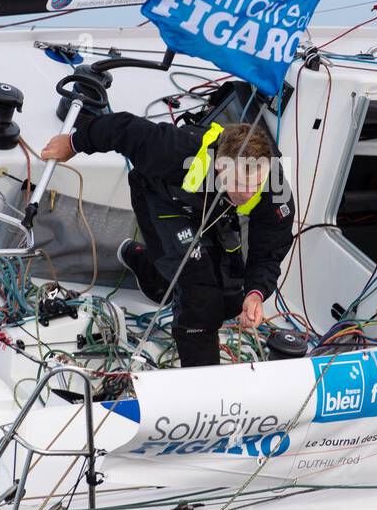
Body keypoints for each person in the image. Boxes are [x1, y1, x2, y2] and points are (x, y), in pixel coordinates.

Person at [40, 113, 294, 368]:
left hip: (215, 213)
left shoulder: (274, 188)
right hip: (164, 201)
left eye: (256, 184)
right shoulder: (179, 150)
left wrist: (256, 293)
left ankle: (139, 258)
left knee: (230, 296)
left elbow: (269, 251)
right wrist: (73, 143)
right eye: (240, 183)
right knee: (199, 293)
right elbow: (123, 129)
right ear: (220, 165)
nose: (248, 193)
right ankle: (202, 381)